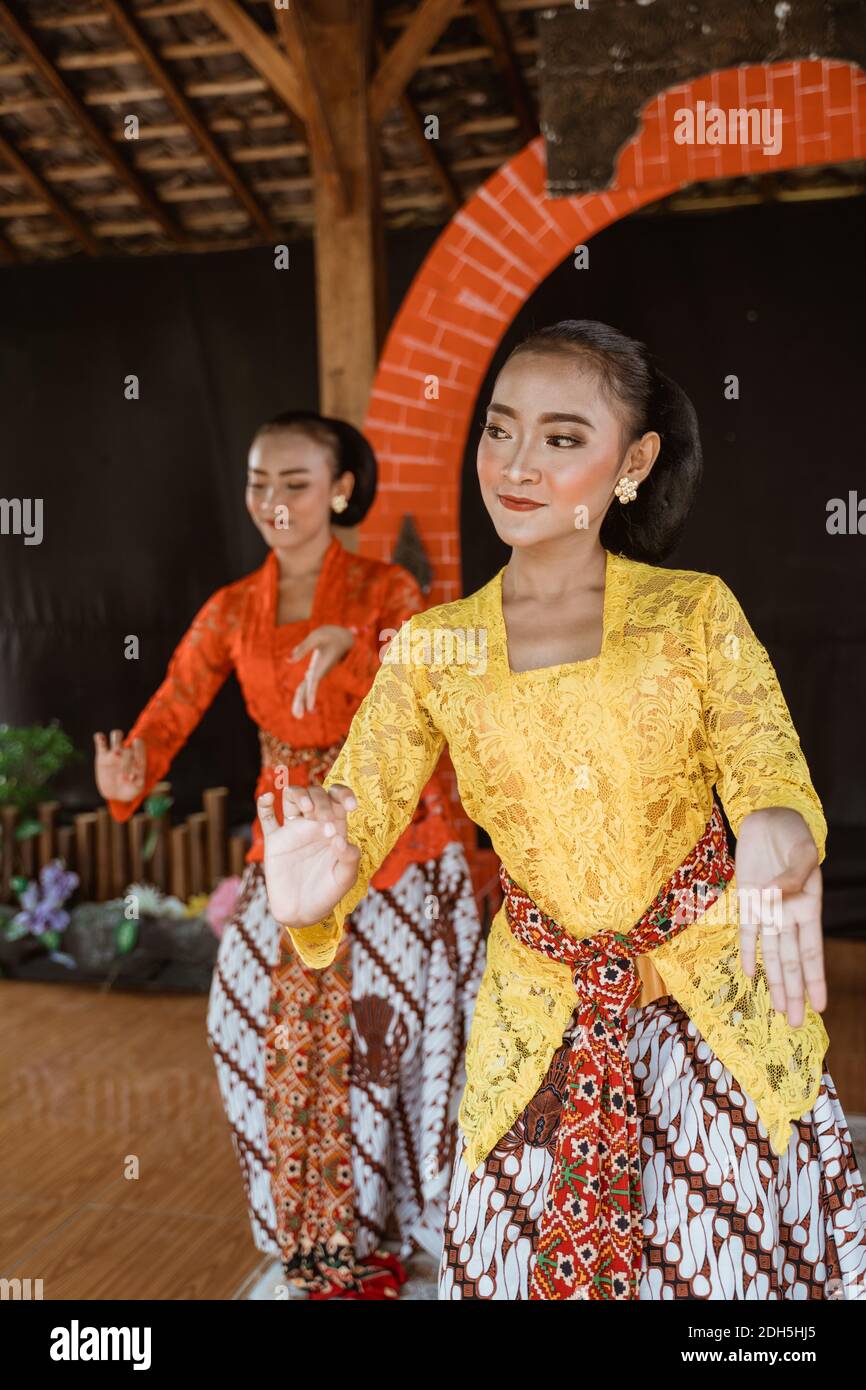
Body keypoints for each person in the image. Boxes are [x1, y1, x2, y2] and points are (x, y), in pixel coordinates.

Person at [258, 323, 866, 1301]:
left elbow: (765, 765)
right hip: (534, 1010)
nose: (514, 465)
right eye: (499, 431)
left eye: (559, 438)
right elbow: (355, 805)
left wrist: (777, 822)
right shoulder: (436, 647)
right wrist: (307, 893)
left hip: (703, 997)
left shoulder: (690, 613)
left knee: (720, 1282)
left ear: (631, 463)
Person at [93, 410, 484, 1300]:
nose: (273, 499)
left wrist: (358, 648)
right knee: (240, 1021)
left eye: (295, 482)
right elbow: (173, 703)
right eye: (259, 480)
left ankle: (407, 1239)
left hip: (394, 847)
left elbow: (430, 682)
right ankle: (311, 1236)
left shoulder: (388, 591)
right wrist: (131, 771)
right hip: (290, 852)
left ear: (342, 491)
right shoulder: (235, 605)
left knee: (393, 1042)